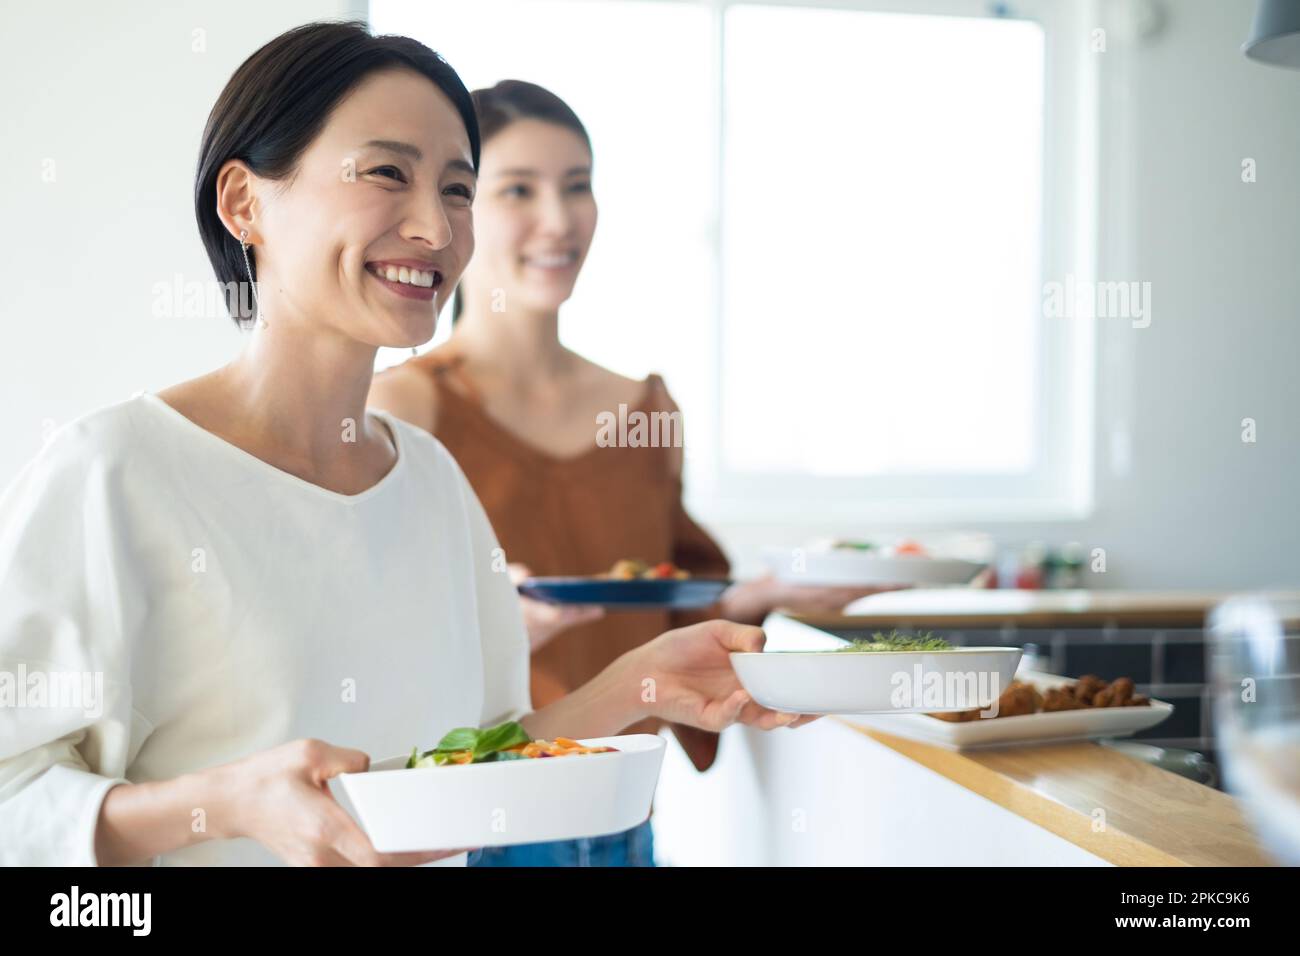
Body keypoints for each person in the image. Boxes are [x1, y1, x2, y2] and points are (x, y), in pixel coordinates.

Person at [0, 22, 812, 867]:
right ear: (244, 202)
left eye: (458, 189)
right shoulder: (112, 473)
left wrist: (639, 684)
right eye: (388, 172)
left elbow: (471, 767)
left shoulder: (428, 479)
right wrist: (222, 805)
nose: (435, 228)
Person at [368, 80, 886, 867]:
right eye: (517, 189)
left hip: (624, 819)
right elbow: (371, 646)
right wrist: (496, 627)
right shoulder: (405, 406)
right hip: (479, 825)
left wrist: (764, 596)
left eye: (579, 185)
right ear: (458, 212)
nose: (559, 217)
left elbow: (660, 619)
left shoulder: (644, 408)